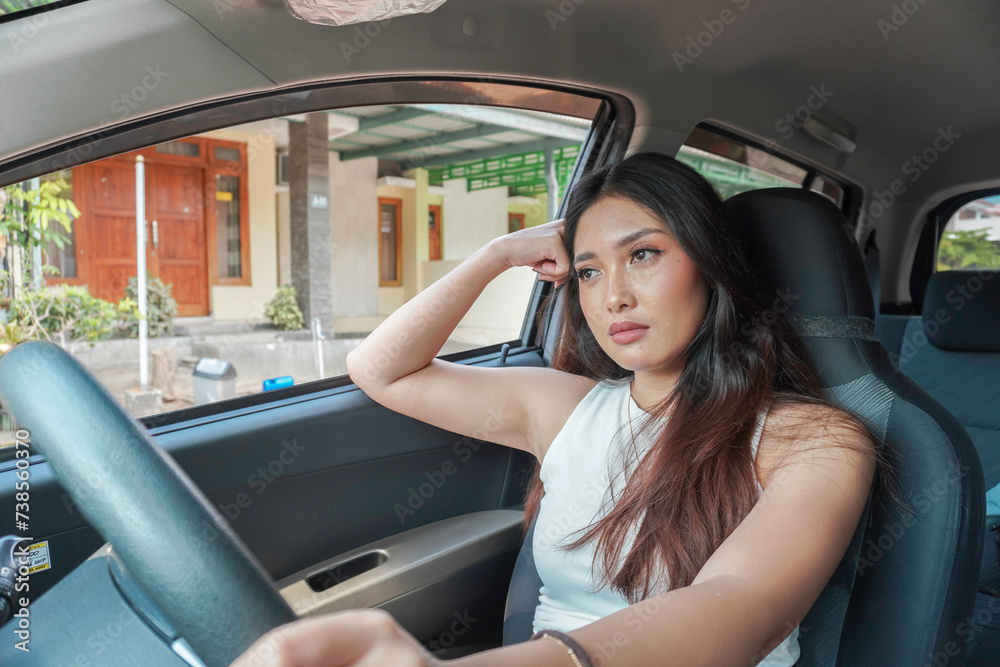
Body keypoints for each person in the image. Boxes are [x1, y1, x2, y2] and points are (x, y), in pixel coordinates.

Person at [230, 151, 899, 667]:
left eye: (642, 254)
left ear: (711, 264)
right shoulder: (563, 406)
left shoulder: (818, 439)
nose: (613, 297)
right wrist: (500, 254)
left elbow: (737, 605)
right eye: (589, 271)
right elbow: (381, 368)